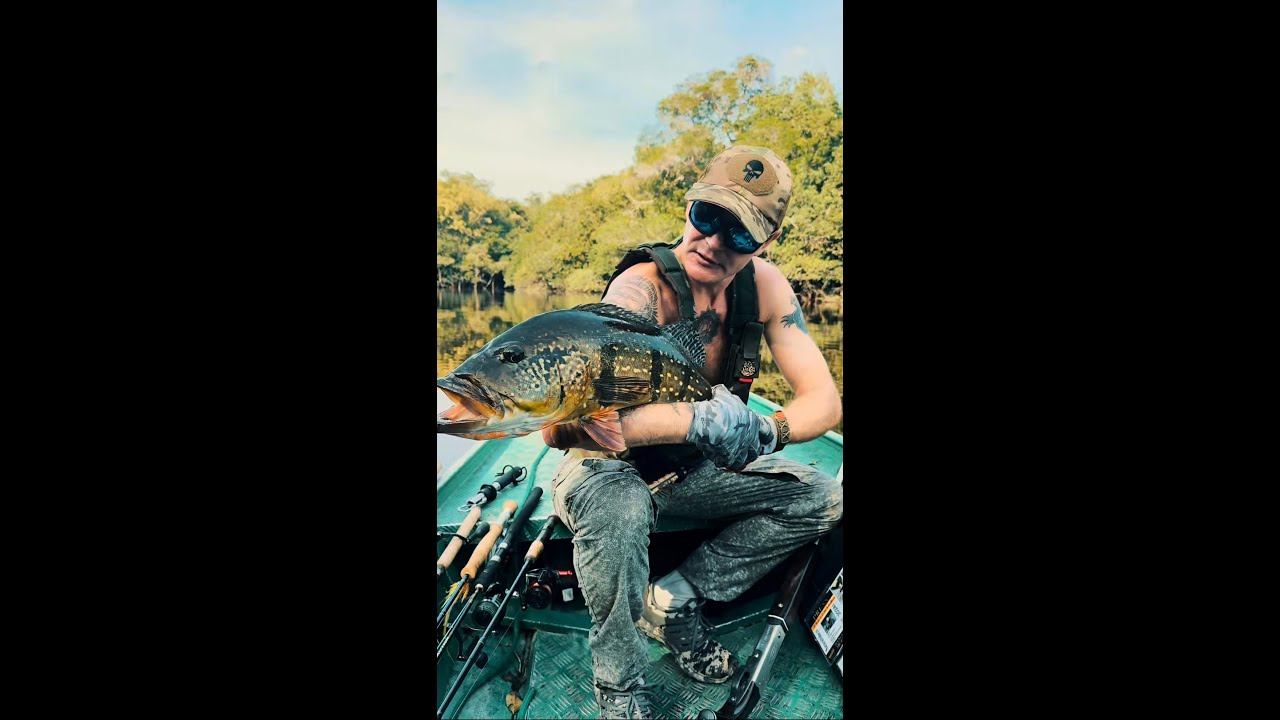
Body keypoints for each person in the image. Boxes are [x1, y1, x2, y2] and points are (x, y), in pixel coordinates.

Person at [541, 146, 843, 719]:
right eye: (707, 216)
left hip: (695, 469)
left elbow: (824, 403)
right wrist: (694, 418)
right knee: (620, 509)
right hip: (609, 465)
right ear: (688, 205)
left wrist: (766, 430)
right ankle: (620, 689)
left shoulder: (766, 287)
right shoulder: (639, 289)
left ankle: (673, 598)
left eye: (740, 232)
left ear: (768, 240)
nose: (713, 241)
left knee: (822, 497)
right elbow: (561, 432)